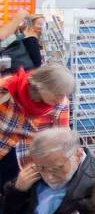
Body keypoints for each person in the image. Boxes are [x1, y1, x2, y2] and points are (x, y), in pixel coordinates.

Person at [0, 63, 73, 191]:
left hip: (29, 161)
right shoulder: (6, 88)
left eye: (64, 94)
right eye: (57, 94)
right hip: (3, 148)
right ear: (42, 86)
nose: (61, 99)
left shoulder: (61, 105)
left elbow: (61, 139)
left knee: (16, 198)